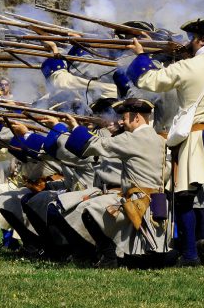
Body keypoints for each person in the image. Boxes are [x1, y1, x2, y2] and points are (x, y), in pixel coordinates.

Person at [125, 17, 204, 267]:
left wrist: (140, 55)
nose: (189, 42)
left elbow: (148, 81)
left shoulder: (188, 67)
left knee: (184, 197)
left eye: (193, 38)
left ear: (201, 39)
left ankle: (190, 255)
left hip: (198, 136)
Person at [51, 97, 168, 268]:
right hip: (153, 200)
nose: (121, 122)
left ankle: (109, 257)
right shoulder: (157, 139)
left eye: (125, 118)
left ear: (136, 118)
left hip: (136, 201)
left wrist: (74, 127)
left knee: (89, 209)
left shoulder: (132, 138)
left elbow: (95, 145)